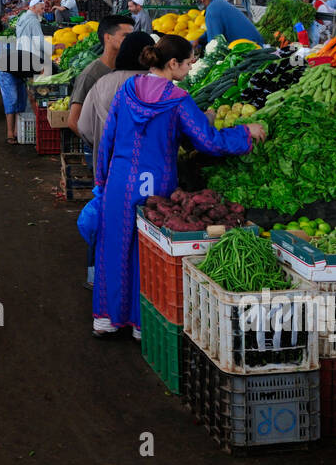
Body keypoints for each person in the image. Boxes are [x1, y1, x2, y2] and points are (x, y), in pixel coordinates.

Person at [93, 35, 266, 336]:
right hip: (156, 186)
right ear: (173, 63)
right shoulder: (178, 100)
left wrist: (102, 180)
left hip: (120, 181)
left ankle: (106, 318)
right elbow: (208, 142)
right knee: (148, 251)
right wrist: (245, 133)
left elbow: (108, 137)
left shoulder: (127, 89)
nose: (190, 67)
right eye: (188, 63)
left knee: (115, 245)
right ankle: (140, 325)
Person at [68, 15, 135, 140]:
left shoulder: (127, 70)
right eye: (125, 36)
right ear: (107, 37)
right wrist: (100, 146)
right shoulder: (91, 74)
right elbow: (73, 121)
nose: (131, 41)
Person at [0, 0, 51, 144]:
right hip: (3, 70)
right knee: (12, 100)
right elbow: (33, 93)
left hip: (16, 67)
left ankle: (18, 132)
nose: (43, 11)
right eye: (42, 8)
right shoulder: (35, 64)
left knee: (21, 100)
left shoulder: (25, 17)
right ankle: (9, 134)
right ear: (33, 7)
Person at [194, 0, 261, 48]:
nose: (196, 0)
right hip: (255, 43)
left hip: (251, 48)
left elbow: (214, 43)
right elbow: (213, 30)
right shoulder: (218, 3)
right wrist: (199, 39)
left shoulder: (212, 11)